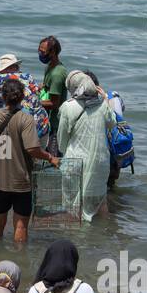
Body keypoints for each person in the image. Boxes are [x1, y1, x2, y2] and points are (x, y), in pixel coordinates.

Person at [0, 78, 60, 243]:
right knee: (20, 228)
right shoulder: (26, 119)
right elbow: (32, 149)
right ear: (21, 97)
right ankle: (20, 261)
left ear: (3, 96)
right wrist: (50, 157)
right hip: (21, 182)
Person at [56, 71, 115, 226]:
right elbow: (112, 123)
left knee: (73, 205)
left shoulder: (68, 107)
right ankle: (106, 233)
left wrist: (64, 154)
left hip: (76, 162)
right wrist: (106, 99)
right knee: (100, 201)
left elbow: (62, 140)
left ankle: (79, 239)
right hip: (100, 162)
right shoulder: (101, 104)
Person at [38, 36, 69, 147]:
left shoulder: (57, 74)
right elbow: (47, 88)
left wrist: (34, 103)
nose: (40, 54)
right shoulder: (49, 67)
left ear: (53, 52)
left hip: (55, 124)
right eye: (39, 51)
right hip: (47, 120)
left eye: (43, 52)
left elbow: (54, 103)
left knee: (53, 157)